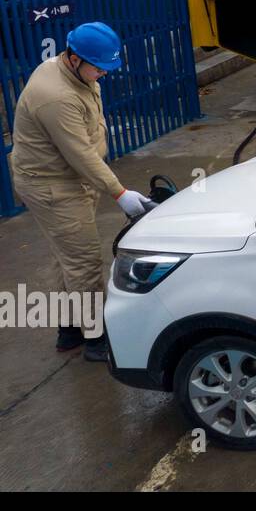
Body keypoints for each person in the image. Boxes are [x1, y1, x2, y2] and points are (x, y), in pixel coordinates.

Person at [9, 22, 152, 361]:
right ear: (73, 58)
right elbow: (80, 154)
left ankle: (69, 330)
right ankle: (97, 340)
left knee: (70, 258)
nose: (103, 73)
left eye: (106, 67)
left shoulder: (75, 73)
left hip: (72, 179)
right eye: (98, 67)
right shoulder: (55, 96)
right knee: (85, 263)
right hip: (54, 186)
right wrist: (120, 192)